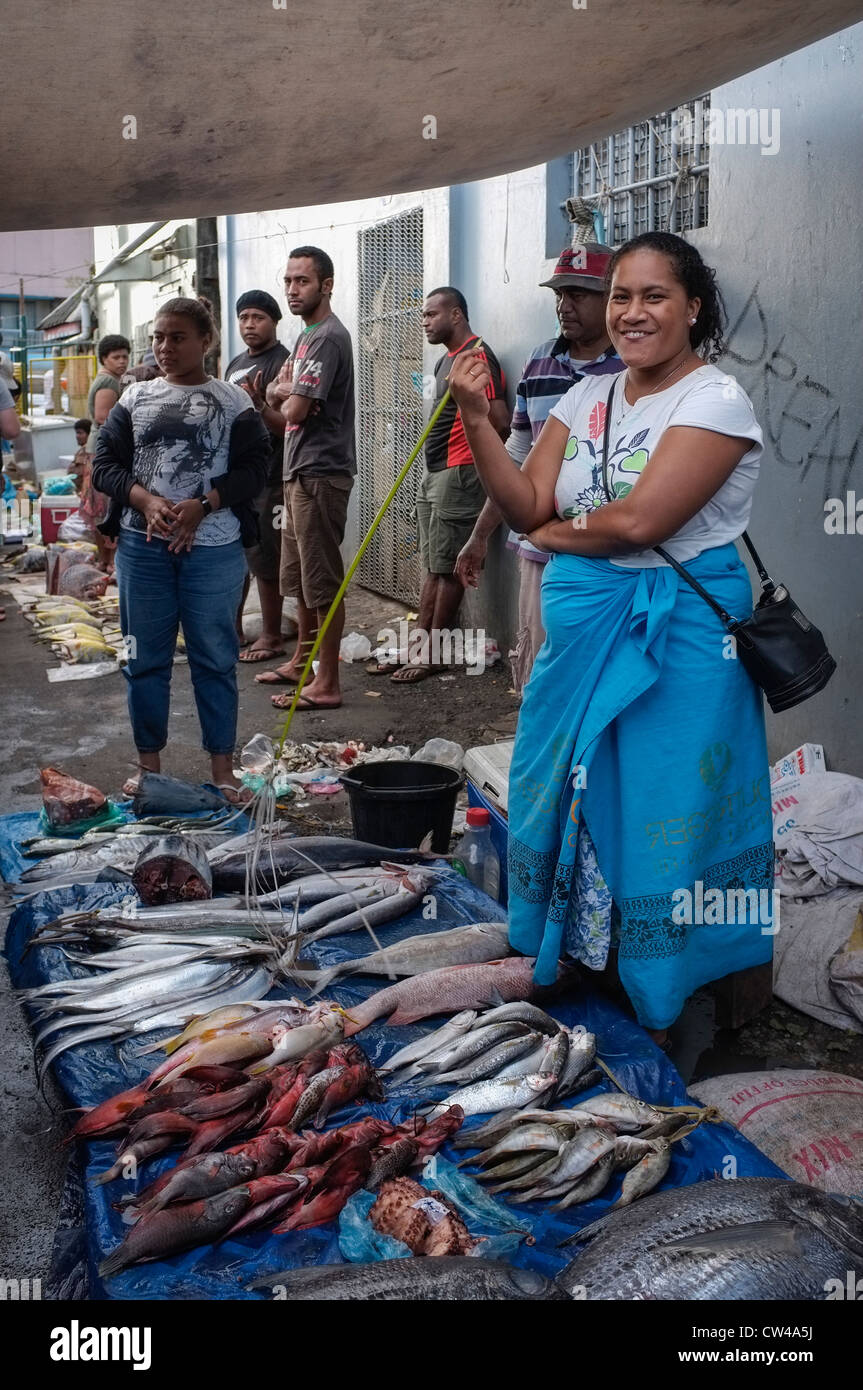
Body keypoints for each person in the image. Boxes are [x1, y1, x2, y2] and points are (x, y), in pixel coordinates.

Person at [448, 231, 774, 1044]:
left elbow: (642, 522)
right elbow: (526, 505)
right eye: (620, 296)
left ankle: (670, 990)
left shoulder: (714, 402)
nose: (632, 313)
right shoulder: (585, 398)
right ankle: (581, 955)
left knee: (667, 806)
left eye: (653, 296)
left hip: (684, 637)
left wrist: (556, 532)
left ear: (692, 308)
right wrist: (475, 421)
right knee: (565, 792)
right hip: (586, 634)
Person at [92, 297, 270, 802]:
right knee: (143, 659)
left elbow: (256, 469)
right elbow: (105, 465)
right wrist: (146, 501)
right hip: (142, 550)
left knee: (214, 659)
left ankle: (223, 771)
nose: (165, 348)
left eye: (177, 337)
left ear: (206, 341)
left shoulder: (235, 402)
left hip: (213, 551)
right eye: (158, 338)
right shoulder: (134, 398)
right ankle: (149, 768)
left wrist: (205, 504)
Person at [455, 244, 624, 692]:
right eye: (560, 294)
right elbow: (516, 458)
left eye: (579, 295)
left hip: (610, 555)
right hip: (539, 551)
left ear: (612, 298)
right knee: (541, 676)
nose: (564, 306)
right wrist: (478, 538)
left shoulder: (631, 369)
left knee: (601, 676)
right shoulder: (540, 362)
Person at [387, 287, 508, 685]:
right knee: (434, 565)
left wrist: (478, 458)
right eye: (423, 315)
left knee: (450, 567)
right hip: (436, 472)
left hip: (461, 471)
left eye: (431, 315)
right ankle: (420, 645)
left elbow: (500, 420)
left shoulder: (475, 357)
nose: (424, 322)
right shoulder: (444, 360)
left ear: (456, 315)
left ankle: (431, 655)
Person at [256, 246, 355, 713]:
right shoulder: (304, 338)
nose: (293, 290)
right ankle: (302, 660)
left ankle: (328, 681)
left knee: (322, 580)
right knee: (298, 576)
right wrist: (280, 392)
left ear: (326, 285)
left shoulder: (326, 339)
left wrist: (279, 391)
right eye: (289, 281)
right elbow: (284, 404)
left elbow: (292, 408)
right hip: (298, 469)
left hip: (320, 472)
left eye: (303, 281)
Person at [224, 290, 290, 662]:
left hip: (272, 475)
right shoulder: (235, 363)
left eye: (258, 317)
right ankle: (232, 630)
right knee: (237, 556)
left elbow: (288, 423)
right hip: (238, 477)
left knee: (266, 555)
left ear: (274, 321)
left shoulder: (284, 361)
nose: (250, 324)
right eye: (245, 317)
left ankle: (271, 636)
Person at [67, 419, 92, 492]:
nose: (77, 436)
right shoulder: (82, 451)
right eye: (76, 433)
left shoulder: (88, 452)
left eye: (80, 433)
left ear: (89, 434)